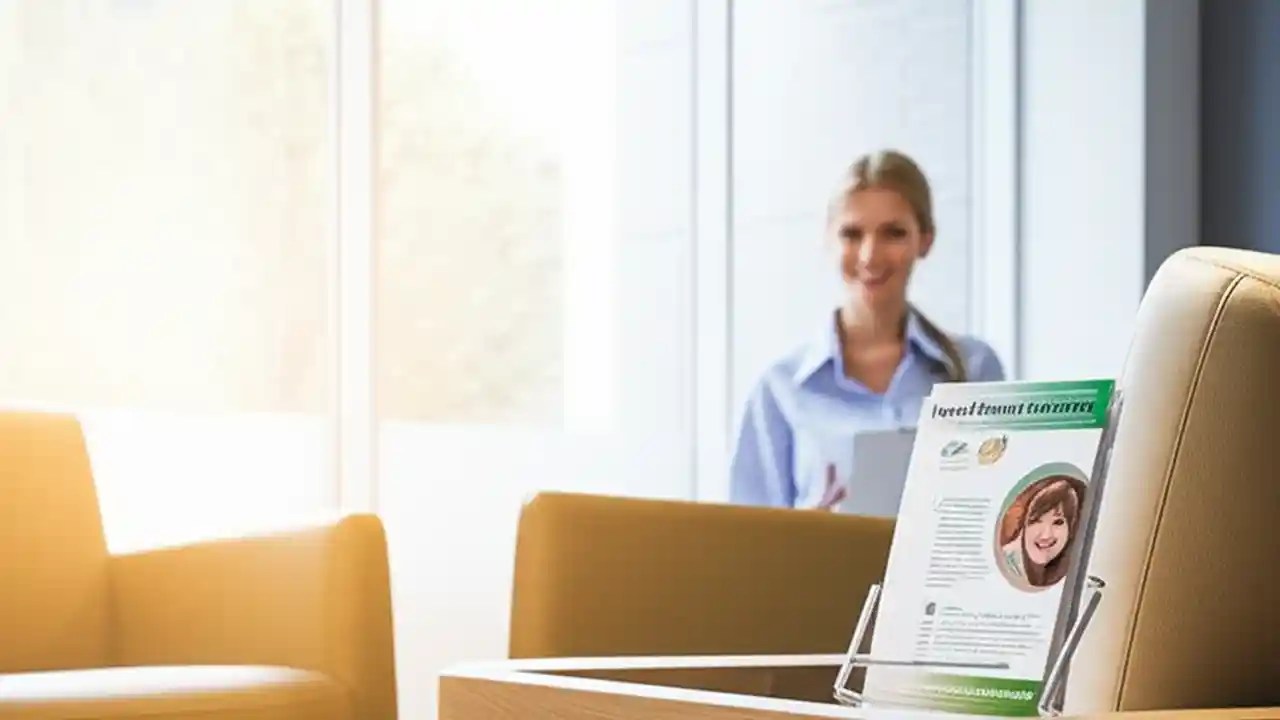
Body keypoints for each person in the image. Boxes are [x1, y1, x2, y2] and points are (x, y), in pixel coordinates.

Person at [729, 149, 1005, 509]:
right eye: (852, 234)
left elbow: (1000, 510)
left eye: (893, 233)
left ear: (925, 239)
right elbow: (751, 534)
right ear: (829, 239)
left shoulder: (975, 370)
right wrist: (810, 528)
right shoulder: (780, 389)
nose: (869, 255)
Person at [997, 475, 1085, 588]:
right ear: (1023, 524)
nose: (1046, 535)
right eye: (1036, 521)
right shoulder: (1005, 565)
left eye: (1058, 522)